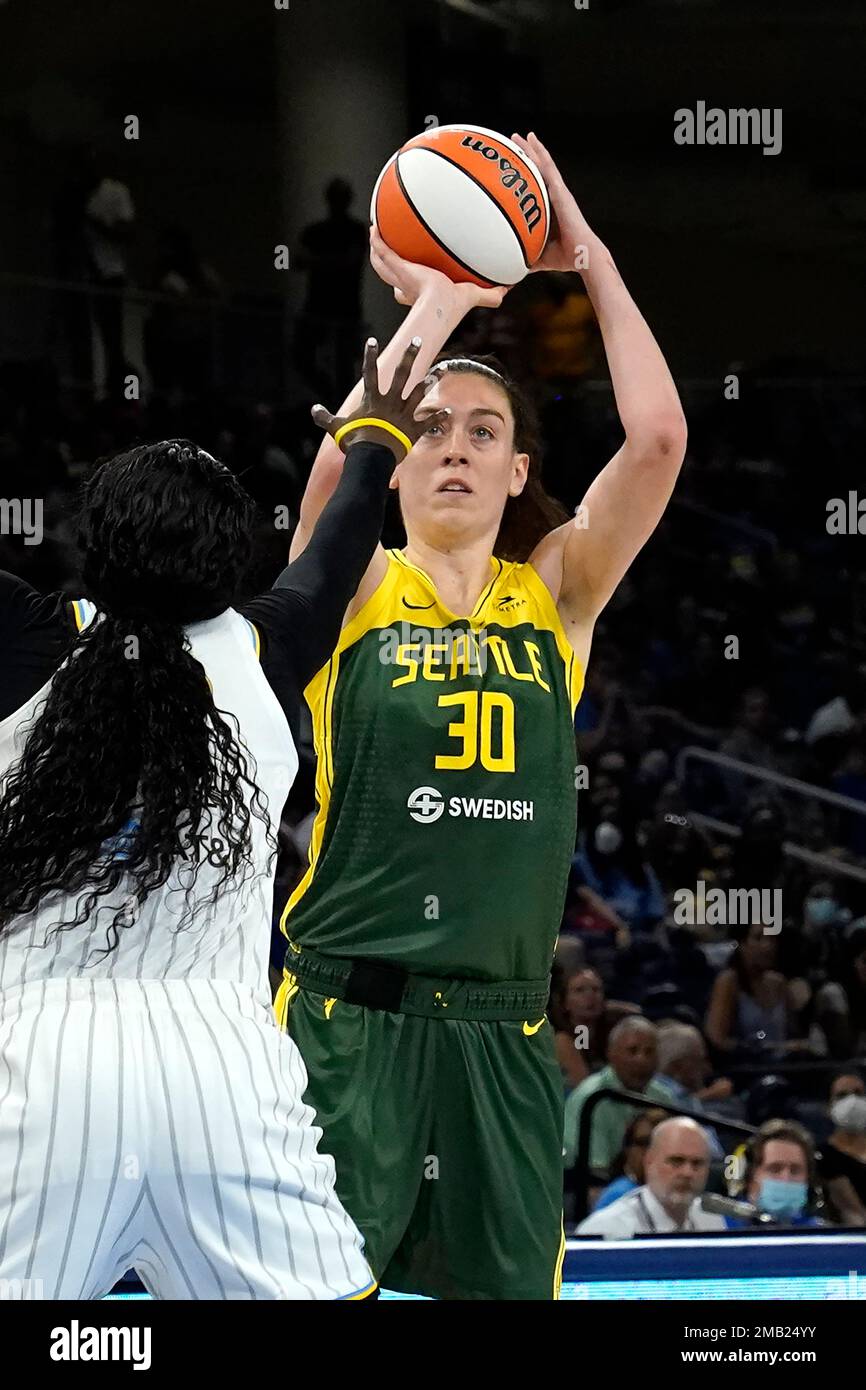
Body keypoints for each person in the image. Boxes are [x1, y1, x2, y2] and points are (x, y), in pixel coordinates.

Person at [275, 129, 689, 1300]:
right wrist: (444, 299)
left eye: (485, 432)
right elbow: (338, 465)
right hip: (347, 1020)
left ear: (516, 472)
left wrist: (585, 249)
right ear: (392, 465)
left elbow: (657, 439)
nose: (451, 446)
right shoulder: (350, 589)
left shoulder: (552, 594)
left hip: (503, 1029)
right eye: (431, 431)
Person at [0, 338, 448, 1299]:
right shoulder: (267, 650)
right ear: (233, 555)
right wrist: (375, 435)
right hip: (225, 1076)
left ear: (93, 543)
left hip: (36, 1076)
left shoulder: (26, 642)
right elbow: (341, 543)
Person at [576, 1118, 726, 1238]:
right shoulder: (607, 1229)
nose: (687, 1173)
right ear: (649, 1161)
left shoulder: (712, 1220)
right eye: (676, 1161)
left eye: (697, 1163)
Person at [563, 1017, 673, 1173]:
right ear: (611, 1053)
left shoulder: (663, 1097)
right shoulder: (592, 1098)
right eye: (632, 1051)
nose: (641, 1059)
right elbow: (595, 1175)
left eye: (649, 1052)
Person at [704, 920, 811, 1061]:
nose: (768, 946)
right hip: (748, 1068)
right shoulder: (729, 981)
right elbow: (717, 1039)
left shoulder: (779, 982)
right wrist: (762, 1048)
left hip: (784, 1066)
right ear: (742, 945)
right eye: (759, 938)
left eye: (771, 939)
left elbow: (794, 1035)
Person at [549, 962, 638, 1089]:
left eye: (596, 989)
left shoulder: (613, 1030)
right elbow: (585, 1087)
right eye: (579, 990)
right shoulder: (563, 1040)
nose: (590, 996)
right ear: (565, 1002)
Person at [655, 1022, 735, 1158]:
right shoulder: (663, 1095)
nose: (707, 1068)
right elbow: (710, 1154)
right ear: (678, 1066)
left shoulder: (687, 1096)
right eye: (700, 1060)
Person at [725, 1120, 823, 1228]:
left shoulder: (820, 1236)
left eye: (795, 1171)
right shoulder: (720, 1229)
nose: (786, 1179)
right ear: (750, 1176)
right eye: (775, 1169)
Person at [592, 1107, 667, 1211]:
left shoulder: (679, 1196)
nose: (651, 1151)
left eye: (660, 1144)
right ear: (628, 1150)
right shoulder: (618, 1196)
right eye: (644, 1143)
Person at [818, 1072, 866, 1226]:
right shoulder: (822, 1156)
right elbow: (850, 1211)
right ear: (828, 1107)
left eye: (859, 1093)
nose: (852, 1101)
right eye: (842, 1095)